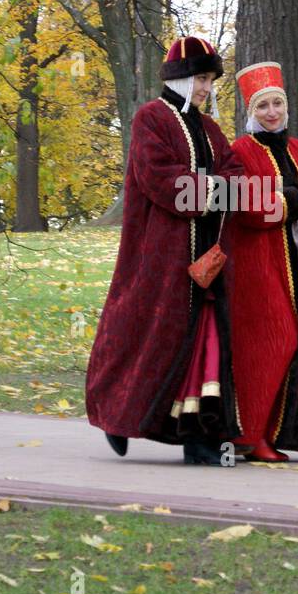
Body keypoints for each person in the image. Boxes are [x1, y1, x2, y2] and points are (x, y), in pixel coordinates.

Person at [85, 36, 246, 465]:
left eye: (210, 80)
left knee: (205, 342)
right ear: (179, 77)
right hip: (160, 256)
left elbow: (236, 175)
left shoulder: (212, 130)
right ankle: (116, 414)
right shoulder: (150, 119)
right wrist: (216, 187)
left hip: (208, 257)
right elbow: (160, 180)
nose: (205, 88)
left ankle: (198, 438)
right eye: (200, 78)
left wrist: (218, 186)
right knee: (143, 335)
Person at [223, 61, 298, 462]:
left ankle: (285, 429)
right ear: (250, 112)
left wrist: (296, 201)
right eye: (263, 107)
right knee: (270, 343)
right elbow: (251, 209)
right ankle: (250, 434)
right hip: (260, 263)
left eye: (277, 104)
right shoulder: (241, 151)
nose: (272, 112)